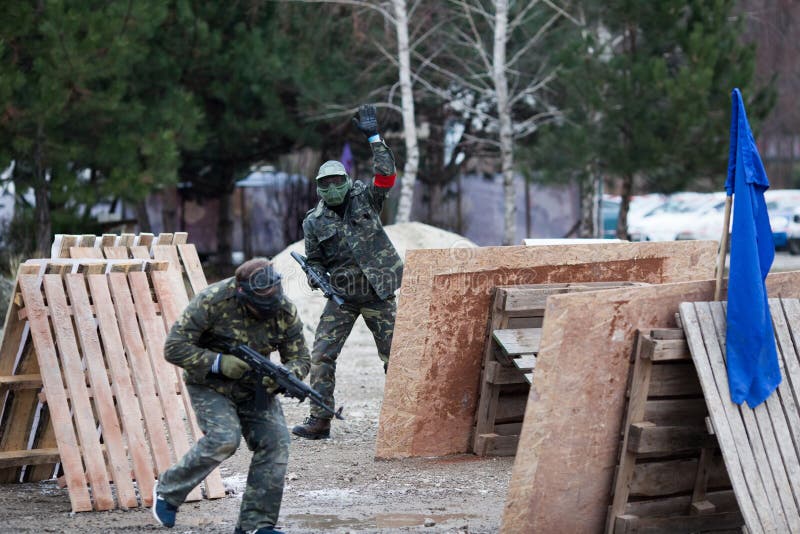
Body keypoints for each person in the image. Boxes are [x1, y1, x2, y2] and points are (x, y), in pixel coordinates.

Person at [151, 258, 310, 534]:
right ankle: (168, 490)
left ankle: (255, 525)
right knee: (225, 439)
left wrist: (285, 377)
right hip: (210, 385)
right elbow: (173, 347)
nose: (267, 310)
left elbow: (300, 357)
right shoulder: (212, 301)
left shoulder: (283, 309)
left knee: (276, 442)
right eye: (261, 307)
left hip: (256, 388)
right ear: (241, 292)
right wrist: (218, 362)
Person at [291, 104, 403, 440]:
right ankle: (320, 419)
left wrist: (374, 137)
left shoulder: (366, 198)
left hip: (377, 292)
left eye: (337, 180)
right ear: (319, 187)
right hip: (342, 297)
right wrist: (315, 277)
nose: (332, 187)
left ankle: (403, 420)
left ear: (346, 180)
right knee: (322, 355)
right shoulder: (313, 220)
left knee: (396, 357)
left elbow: (386, 175)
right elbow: (315, 260)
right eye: (326, 183)